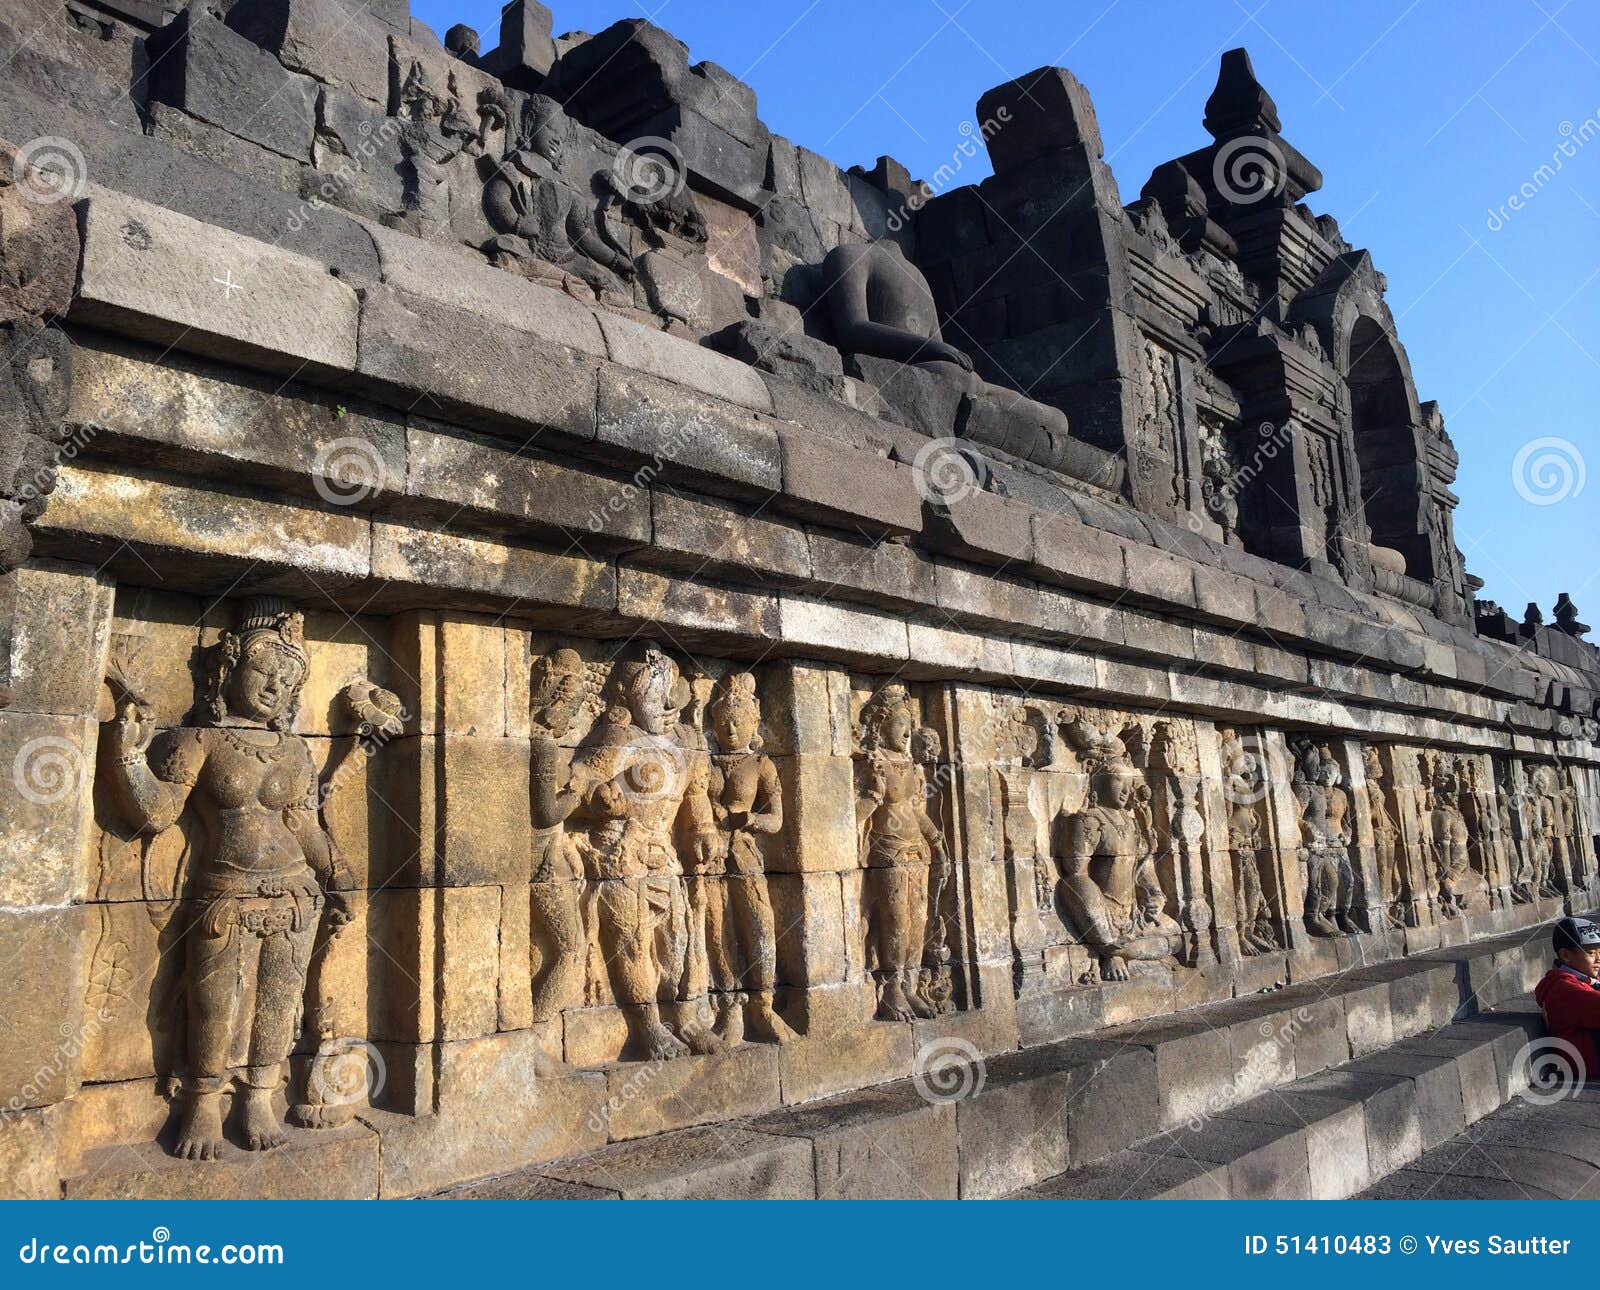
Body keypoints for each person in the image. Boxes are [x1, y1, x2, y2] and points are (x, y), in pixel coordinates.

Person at [1534, 917, 1600, 1079]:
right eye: (1591, 953)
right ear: (1566, 955)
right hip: (1592, 1062)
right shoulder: (1565, 989)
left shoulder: (1585, 978)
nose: (1598, 959)